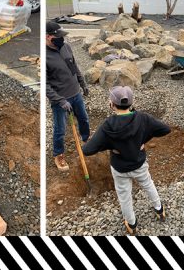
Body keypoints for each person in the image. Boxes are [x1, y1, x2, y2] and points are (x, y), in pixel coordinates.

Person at [82, 86, 171, 235]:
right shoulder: (143, 118)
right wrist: (143, 140)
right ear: (131, 103)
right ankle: (159, 210)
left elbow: (87, 150)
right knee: (148, 184)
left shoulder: (107, 125)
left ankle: (132, 224)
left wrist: (110, 145)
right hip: (139, 164)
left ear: (112, 105)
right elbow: (165, 129)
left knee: (124, 196)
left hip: (120, 168)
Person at [45, 20, 90, 172]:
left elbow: (74, 67)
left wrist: (82, 84)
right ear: (47, 37)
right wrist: (60, 100)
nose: (61, 39)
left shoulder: (66, 47)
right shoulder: (45, 56)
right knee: (60, 129)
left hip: (75, 94)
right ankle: (58, 154)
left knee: (83, 118)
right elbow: (45, 85)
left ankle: (85, 140)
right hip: (60, 100)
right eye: (57, 37)